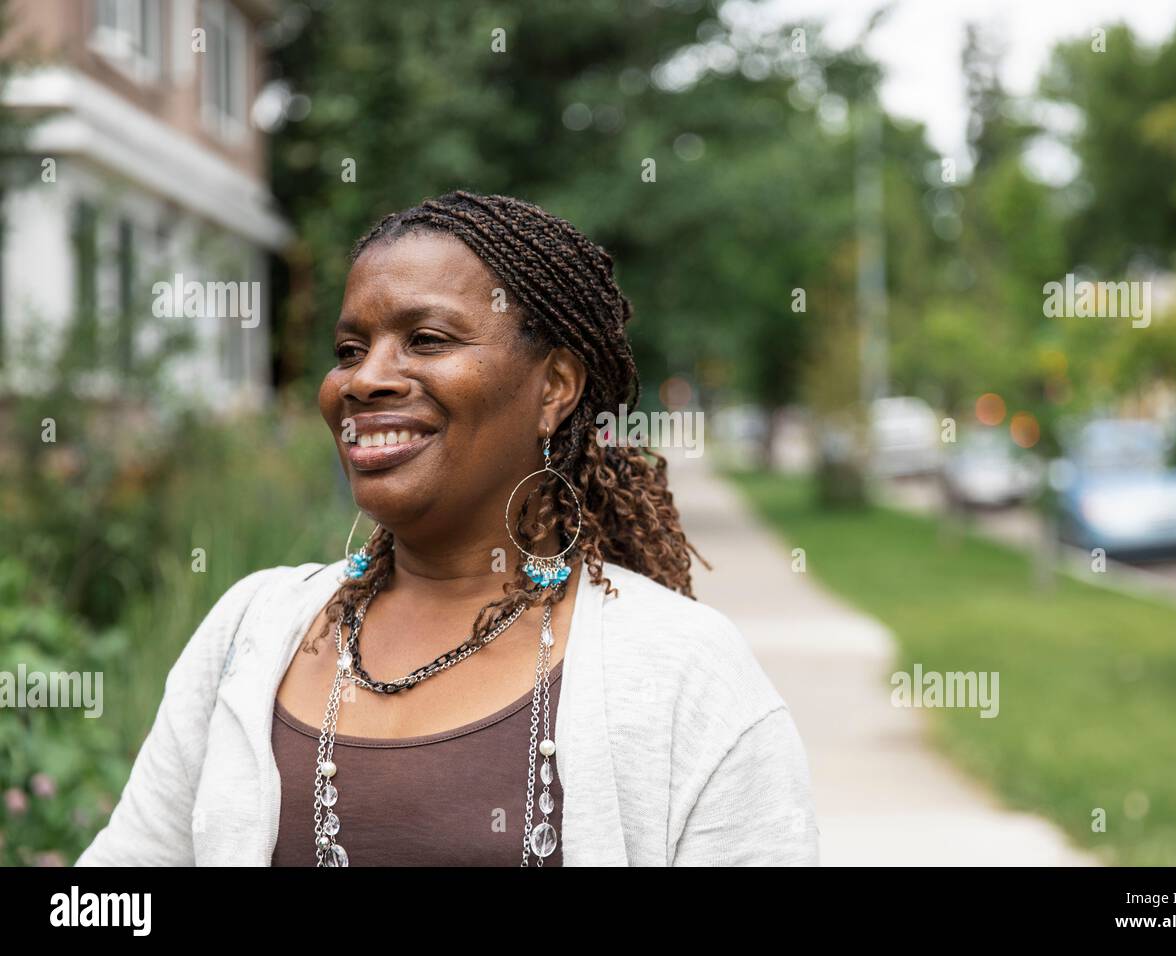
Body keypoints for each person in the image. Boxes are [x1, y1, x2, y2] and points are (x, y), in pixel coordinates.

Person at [76, 190, 820, 867]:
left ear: (554, 388)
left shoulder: (680, 667)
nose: (364, 379)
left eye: (427, 340)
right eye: (348, 350)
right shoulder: (251, 631)